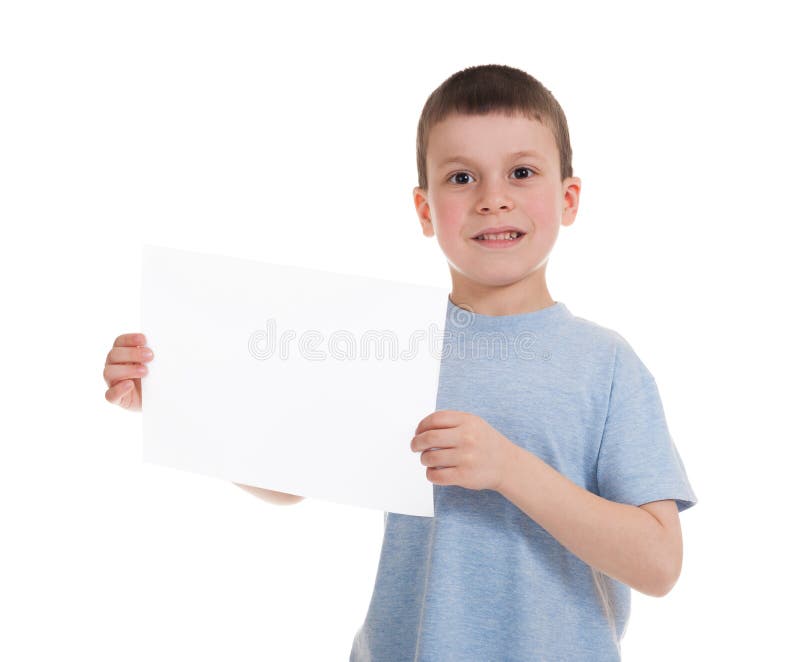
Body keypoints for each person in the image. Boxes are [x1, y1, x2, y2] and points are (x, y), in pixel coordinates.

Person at [104, 63, 698, 661]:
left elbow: (658, 563)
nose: (493, 199)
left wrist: (507, 468)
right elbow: (292, 480)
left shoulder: (607, 365)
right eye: (462, 177)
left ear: (568, 198)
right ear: (425, 210)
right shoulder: (390, 348)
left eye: (522, 173)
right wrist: (176, 398)